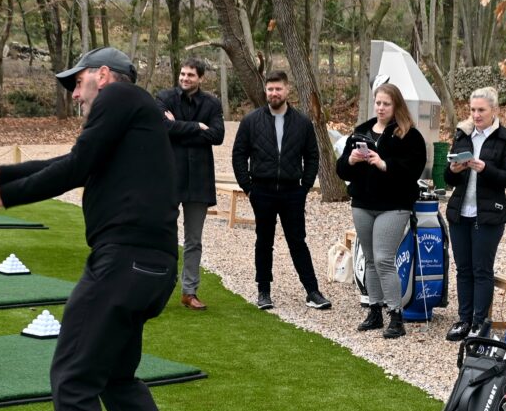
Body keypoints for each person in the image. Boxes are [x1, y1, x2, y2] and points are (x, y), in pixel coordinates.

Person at [0, 47, 205, 411]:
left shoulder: (120, 97)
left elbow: (74, 167)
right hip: (153, 269)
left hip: (121, 263)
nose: (73, 94)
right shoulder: (133, 120)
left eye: (77, 82)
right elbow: (74, 162)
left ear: (103, 75)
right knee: (116, 377)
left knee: (71, 377)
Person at [231, 70, 332, 311]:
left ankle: (312, 291)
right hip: (261, 191)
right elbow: (239, 155)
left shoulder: (303, 123)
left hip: (292, 192)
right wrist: (248, 187)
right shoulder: (251, 121)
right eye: (270, 89)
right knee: (263, 242)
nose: (274, 93)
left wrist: (304, 187)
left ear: (287, 90)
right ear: (265, 91)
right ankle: (263, 291)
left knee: (298, 242)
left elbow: (312, 156)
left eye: (278, 89)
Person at [335, 83, 427, 338]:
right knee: (370, 259)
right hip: (363, 203)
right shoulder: (361, 132)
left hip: (394, 205)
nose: (381, 108)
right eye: (378, 103)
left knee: (384, 258)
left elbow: (414, 170)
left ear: (396, 106)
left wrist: (384, 164)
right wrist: (350, 160)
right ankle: (374, 310)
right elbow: (341, 170)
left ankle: (396, 316)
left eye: (386, 104)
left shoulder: (409, 135)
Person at [443, 86, 506, 341]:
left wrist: (485, 168)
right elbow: (447, 178)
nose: (476, 115)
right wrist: (453, 170)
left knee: (481, 269)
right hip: (459, 213)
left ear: (494, 110)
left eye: (481, 110)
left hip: (488, 215)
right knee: (463, 269)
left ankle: (479, 323)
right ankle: (464, 320)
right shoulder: (462, 135)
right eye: (473, 110)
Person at [156, 58, 225, 310]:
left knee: (194, 240)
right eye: (183, 74)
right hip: (169, 179)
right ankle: (160, 289)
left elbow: (217, 136)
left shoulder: (212, 103)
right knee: (164, 236)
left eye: (191, 75)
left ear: (201, 78)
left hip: (199, 180)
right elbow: (162, 128)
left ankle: (189, 291)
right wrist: (197, 127)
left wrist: (178, 127)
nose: (185, 78)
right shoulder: (164, 98)